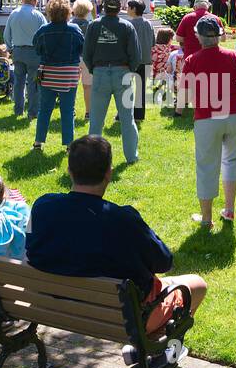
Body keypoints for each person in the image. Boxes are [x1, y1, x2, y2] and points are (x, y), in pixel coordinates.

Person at [27, 136, 205, 340]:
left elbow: (31, 249)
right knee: (196, 284)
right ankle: (160, 355)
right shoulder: (123, 220)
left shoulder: (42, 206)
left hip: (53, 307)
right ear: (109, 173)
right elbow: (164, 262)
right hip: (123, 320)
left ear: (70, 171)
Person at [180, 15, 236, 227]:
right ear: (219, 36)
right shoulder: (233, 56)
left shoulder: (192, 60)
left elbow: (183, 97)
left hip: (207, 118)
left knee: (206, 166)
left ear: (198, 37)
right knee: (231, 162)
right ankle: (229, 210)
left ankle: (207, 219)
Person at [84, 0, 141, 164]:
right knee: (127, 119)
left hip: (100, 72)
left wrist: (95, 69)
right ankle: (131, 157)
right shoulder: (127, 26)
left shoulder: (94, 26)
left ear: (104, 7)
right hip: (122, 73)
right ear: (119, 8)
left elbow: (87, 53)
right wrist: (128, 70)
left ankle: (93, 159)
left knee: (96, 120)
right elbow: (136, 55)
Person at [32, 0, 85, 150]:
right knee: (68, 110)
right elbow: (81, 48)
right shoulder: (74, 29)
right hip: (69, 74)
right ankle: (69, 144)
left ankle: (38, 142)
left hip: (47, 73)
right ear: (68, 11)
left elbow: (37, 48)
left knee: (44, 109)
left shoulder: (43, 30)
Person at [3, 0, 46, 120]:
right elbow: (44, 35)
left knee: (18, 82)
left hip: (18, 51)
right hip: (34, 53)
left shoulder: (14, 13)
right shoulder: (38, 15)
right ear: (33, 0)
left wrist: (10, 48)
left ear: (23, 0)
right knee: (35, 84)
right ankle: (33, 113)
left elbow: (6, 34)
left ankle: (18, 110)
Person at [126, 0, 155, 125]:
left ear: (133, 9)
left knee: (126, 88)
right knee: (141, 88)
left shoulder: (129, 24)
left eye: (128, 7)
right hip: (146, 60)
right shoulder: (149, 23)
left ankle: (124, 114)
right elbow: (153, 42)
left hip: (131, 61)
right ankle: (139, 115)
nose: (127, 9)